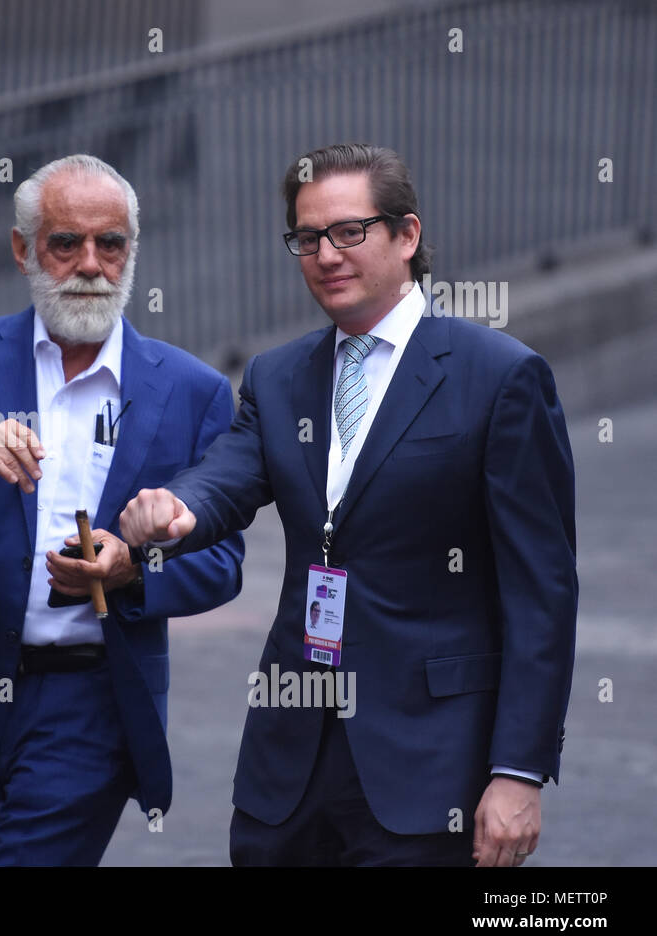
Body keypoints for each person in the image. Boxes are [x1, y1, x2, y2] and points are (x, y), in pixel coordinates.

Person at [121, 143, 577, 867]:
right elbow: (223, 478)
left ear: (407, 235)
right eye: (307, 238)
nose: (326, 254)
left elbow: (542, 592)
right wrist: (174, 512)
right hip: (289, 763)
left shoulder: (500, 377)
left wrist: (518, 770)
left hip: (429, 764)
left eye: (348, 232)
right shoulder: (277, 377)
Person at [0, 155, 244, 865]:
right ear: (23, 249)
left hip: (92, 698)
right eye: (66, 243)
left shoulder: (193, 391)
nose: (90, 264)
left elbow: (222, 561)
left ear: (131, 251)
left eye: (111, 243)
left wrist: (130, 571)